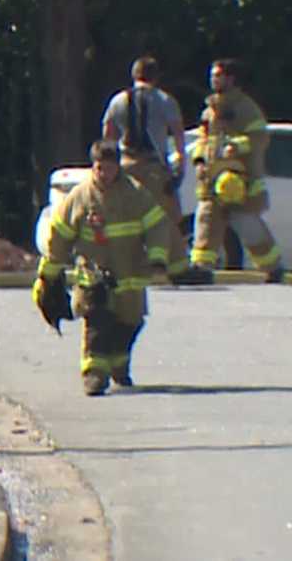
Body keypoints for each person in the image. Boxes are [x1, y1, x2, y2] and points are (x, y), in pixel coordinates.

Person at [34, 140, 170, 396]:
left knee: (129, 322)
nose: (104, 174)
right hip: (93, 274)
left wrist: (157, 258)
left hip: (130, 273)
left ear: (118, 167)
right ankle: (94, 375)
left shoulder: (136, 194)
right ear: (92, 166)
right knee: (97, 321)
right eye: (99, 168)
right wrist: (49, 274)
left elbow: (157, 226)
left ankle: (118, 366)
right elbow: (60, 235)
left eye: (109, 168)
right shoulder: (80, 197)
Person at [101, 56, 201, 284]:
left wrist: (110, 166)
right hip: (154, 168)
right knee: (168, 217)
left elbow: (108, 135)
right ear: (156, 77)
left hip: (125, 165)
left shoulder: (118, 101)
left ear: (134, 75)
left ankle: (117, 266)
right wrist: (179, 169)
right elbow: (177, 134)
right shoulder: (165, 100)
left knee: (123, 217)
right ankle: (178, 268)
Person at [187, 58, 284, 283]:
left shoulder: (246, 108)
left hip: (241, 181)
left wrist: (237, 146)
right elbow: (203, 139)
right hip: (212, 178)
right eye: (213, 75)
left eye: (218, 75)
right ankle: (201, 267)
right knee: (206, 219)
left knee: (247, 224)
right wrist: (200, 159)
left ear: (231, 79)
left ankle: (273, 267)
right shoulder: (210, 110)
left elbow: (260, 138)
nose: (213, 79)